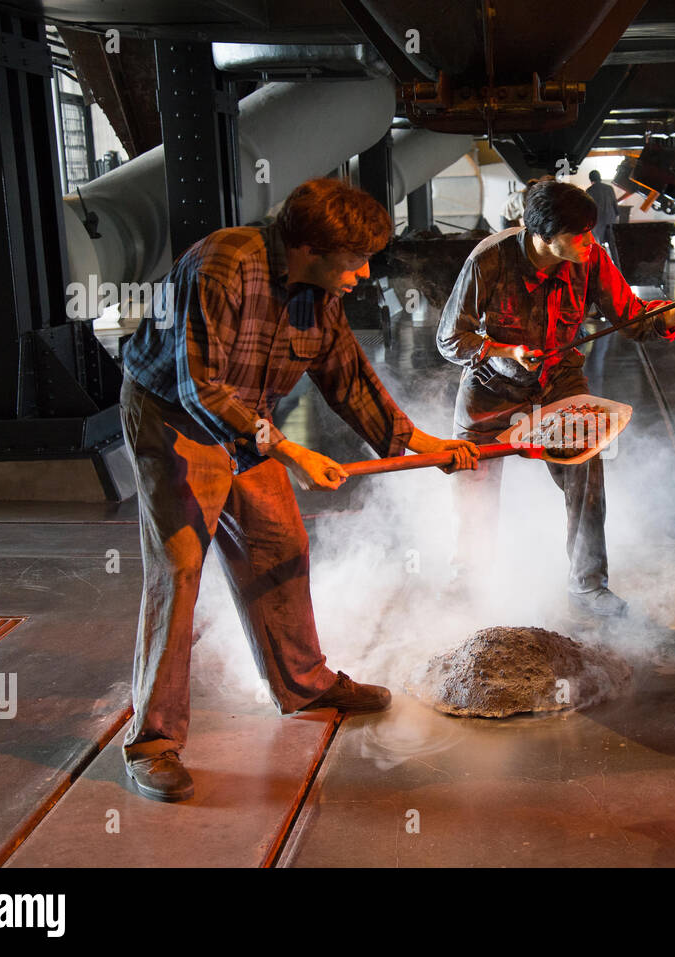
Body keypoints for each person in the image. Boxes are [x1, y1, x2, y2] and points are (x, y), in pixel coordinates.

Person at [118, 177, 478, 802]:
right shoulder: (224, 263)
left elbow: (348, 377)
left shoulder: (318, 292)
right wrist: (289, 450)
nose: (362, 275)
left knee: (281, 546)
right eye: (354, 261)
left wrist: (424, 446)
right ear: (310, 247)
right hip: (174, 419)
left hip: (247, 422)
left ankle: (304, 684)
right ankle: (152, 741)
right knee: (178, 569)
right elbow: (198, 387)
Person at [436, 180, 675, 617]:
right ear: (545, 237)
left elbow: (635, 321)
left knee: (588, 469)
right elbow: (448, 340)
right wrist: (504, 350)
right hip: (491, 389)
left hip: (559, 382)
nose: (591, 242)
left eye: (591, 231)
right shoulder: (489, 260)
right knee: (472, 480)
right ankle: (468, 579)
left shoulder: (592, 260)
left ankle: (588, 586)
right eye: (580, 234)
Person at [586, 169, 621, 250]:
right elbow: (615, 205)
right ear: (600, 177)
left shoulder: (589, 191)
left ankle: (601, 262)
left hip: (597, 223)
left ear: (591, 179)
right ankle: (617, 262)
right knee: (613, 246)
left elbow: (588, 209)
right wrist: (616, 217)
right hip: (610, 220)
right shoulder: (609, 188)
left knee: (598, 245)